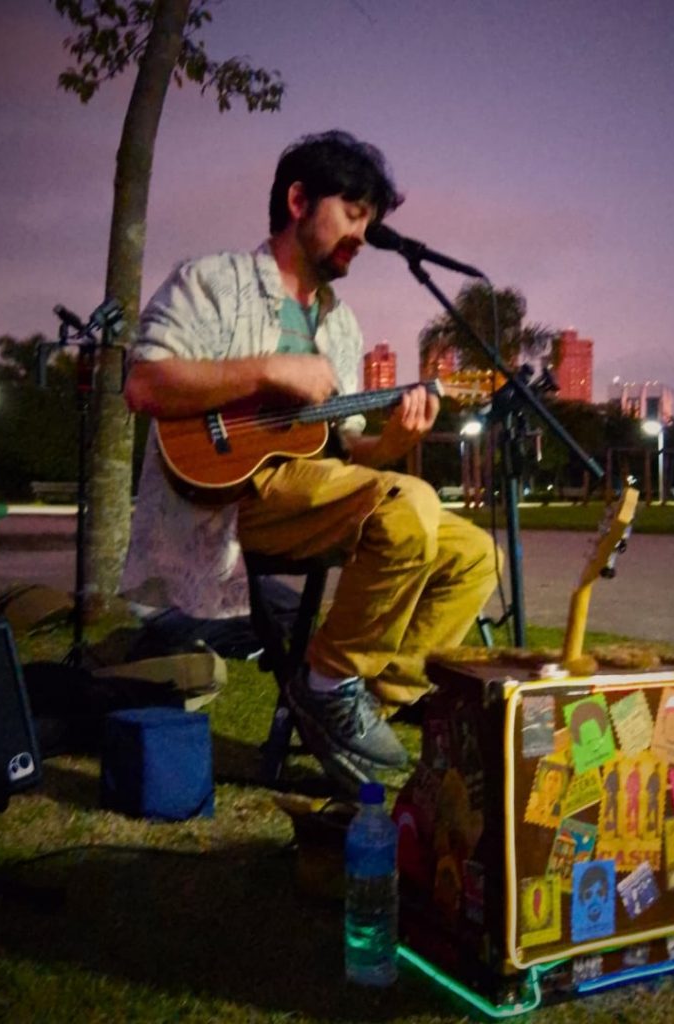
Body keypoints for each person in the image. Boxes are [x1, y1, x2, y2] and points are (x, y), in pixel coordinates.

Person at [120, 130, 499, 790]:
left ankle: (372, 700)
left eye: (370, 221)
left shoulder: (340, 325)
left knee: (473, 554)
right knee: (409, 503)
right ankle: (327, 685)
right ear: (298, 201)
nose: (363, 235)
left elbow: (343, 446)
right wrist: (268, 369)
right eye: (352, 213)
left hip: (310, 492)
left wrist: (393, 444)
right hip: (227, 501)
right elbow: (145, 384)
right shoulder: (212, 281)